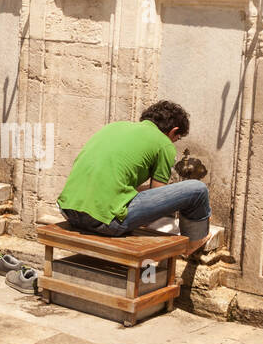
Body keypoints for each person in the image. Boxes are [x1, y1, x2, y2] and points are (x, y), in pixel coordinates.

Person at [57, 100, 215, 257]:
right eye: (177, 138)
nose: (174, 142)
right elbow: (157, 196)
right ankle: (193, 242)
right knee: (197, 189)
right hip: (104, 223)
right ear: (174, 131)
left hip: (69, 212)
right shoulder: (164, 144)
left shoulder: (114, 127)